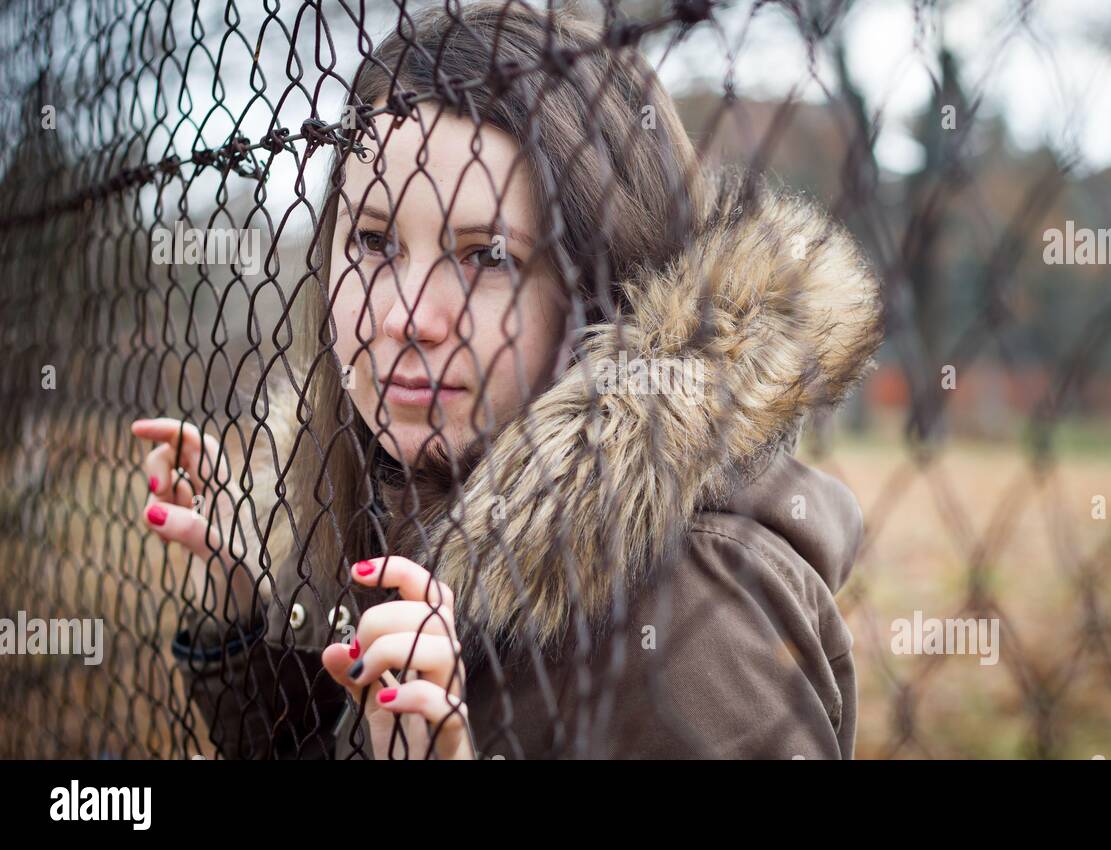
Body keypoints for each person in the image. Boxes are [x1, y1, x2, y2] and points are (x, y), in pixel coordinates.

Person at [130, 0, 883, 759]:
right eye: (371, 240)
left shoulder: (695, 618)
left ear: (600, 295)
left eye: (486, 256)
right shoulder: (396, 495)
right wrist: (240, 605)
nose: (406, 317)